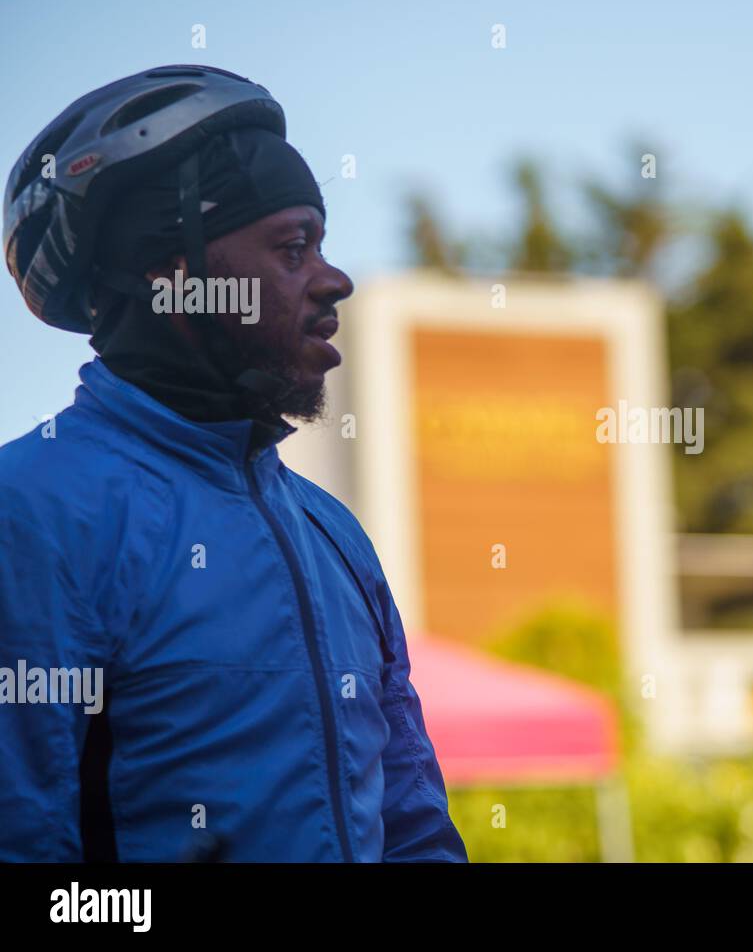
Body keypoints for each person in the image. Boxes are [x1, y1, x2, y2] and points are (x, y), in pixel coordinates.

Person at [0, 65, 466, 862]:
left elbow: (413, 825)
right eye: (293, 246)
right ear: (173, 278)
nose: (335, 278)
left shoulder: (334, 532)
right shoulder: (31, 511)